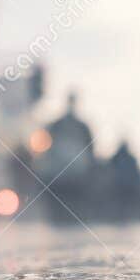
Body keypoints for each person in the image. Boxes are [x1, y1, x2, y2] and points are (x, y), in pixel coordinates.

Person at [41, 92, 95, 222]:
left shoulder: (79, 126)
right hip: (62, 173)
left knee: (70, 204)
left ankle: (66, 221)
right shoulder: (60, 125)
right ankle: (63, 221)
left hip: (72, 174)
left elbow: (90, 149)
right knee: (63, 204)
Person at [105, 141, 140, 222]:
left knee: (124, 203)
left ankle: (123, 217)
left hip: (123, 186)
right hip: (122, 186)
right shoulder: (123, 158)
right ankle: (124, 217)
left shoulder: (123, 158)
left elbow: (136, 174)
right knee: (124, 203)